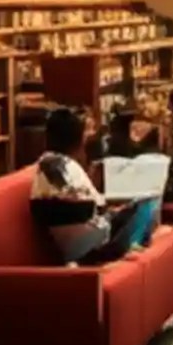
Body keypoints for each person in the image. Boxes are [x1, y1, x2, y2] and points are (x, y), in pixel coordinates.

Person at [29, 107, 159, 265]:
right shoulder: (65, 166)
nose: (88, 138)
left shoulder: (47, 163)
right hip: (92, 250)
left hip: (76, 241)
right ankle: (129, 248)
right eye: (85, 133)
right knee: (148, 203)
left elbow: (83, 204)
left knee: (128, 208)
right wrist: (111, 207)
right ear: (77, 139)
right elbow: (94, 206)